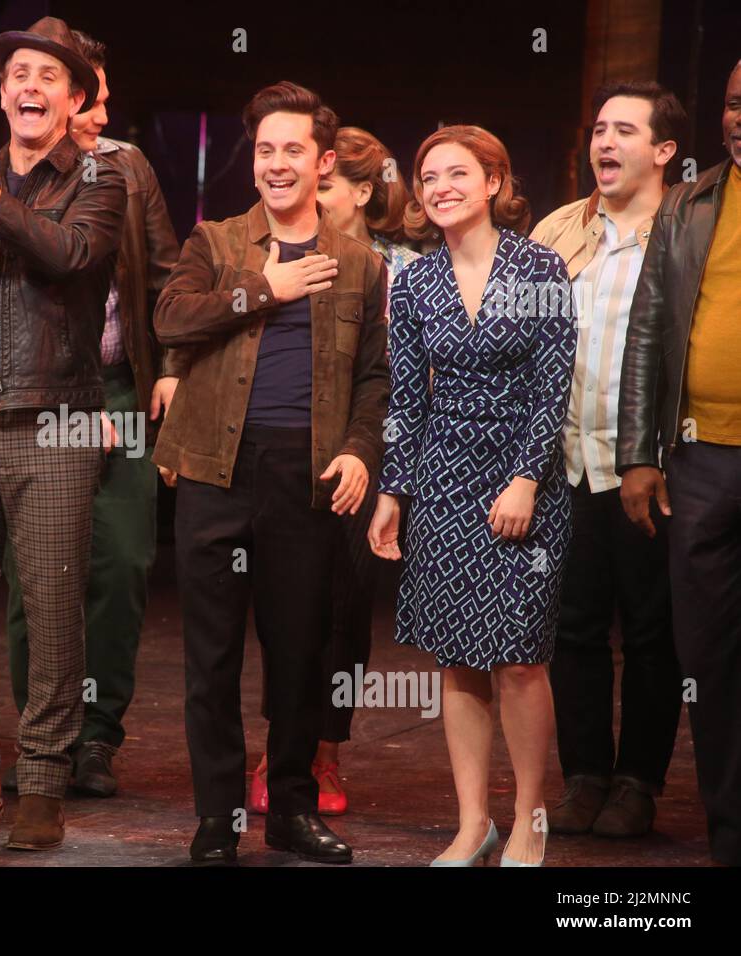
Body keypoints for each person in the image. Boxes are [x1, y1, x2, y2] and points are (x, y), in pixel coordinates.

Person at [153, 81, 389, 865]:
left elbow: (374, 377)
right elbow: (172, 317)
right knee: (211, 654)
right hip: (218, 468)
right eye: (265, 150)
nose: (277, 164)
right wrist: (265, 287)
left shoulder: (358, 263)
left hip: (308, 472)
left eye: (293, 150)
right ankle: (218, 815)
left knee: (299, 651)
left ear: (323, 163)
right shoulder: (216, 242)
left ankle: (290, 807)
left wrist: (359, 449)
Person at [0, 16, 125, 851]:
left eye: (48, 77)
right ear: (1, 95)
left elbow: (70, 257)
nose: (29, 88)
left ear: (76, 101)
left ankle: (42, 779)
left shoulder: (99, 179)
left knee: (49, 605)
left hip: (56, 423)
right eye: (17, 77)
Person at [369, 125, 576, 867]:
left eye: (458, 173)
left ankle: (529, 816)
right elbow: (407, 399)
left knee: (519, 658)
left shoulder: (538, 267)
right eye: (429, 176)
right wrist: (394, 490)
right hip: (442, 479)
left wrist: (525, 478)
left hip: (525, 479)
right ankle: (471, 824)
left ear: (494, 182)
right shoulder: (418, 279)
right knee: (456, 657)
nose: (440, 186)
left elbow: (554, 386)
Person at [0, 28, 181, 799]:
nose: (103, 114)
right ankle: (43, 734)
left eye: (102, 97)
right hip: (37, 394)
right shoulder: (4, 173)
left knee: (121, 559)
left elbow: (168, 278)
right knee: (34, 572)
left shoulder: (128, 169)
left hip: (116, 387)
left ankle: (97, 735)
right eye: (94, 99)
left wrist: (170, 369)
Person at [248, 125, 420, 817]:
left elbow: (398, 377)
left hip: (372, 449)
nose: (306, 193)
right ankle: (278, 745)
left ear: (359, 193)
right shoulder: (274, 254)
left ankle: (327, 749)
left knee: (344, 610)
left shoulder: (397, 270)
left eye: (323, 185)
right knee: (285, 610)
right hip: (294, 451)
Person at [531, 82, 687, 838]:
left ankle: (638, 783)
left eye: (624, 130)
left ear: (663, 150)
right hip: (565, 462)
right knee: (573, 628)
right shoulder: (561, 228)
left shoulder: (688, 229)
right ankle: (585, 775)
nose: (604, 142)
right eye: (597, 129)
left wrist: (651, 455)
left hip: (648, 467)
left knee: (653, 631)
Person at [618, 60, 741, 867]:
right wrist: (638, 455)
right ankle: (731, 838)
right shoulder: (693, 204)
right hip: (700, 462)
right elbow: (647, 331)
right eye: (733, 102)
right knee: (714, 660)